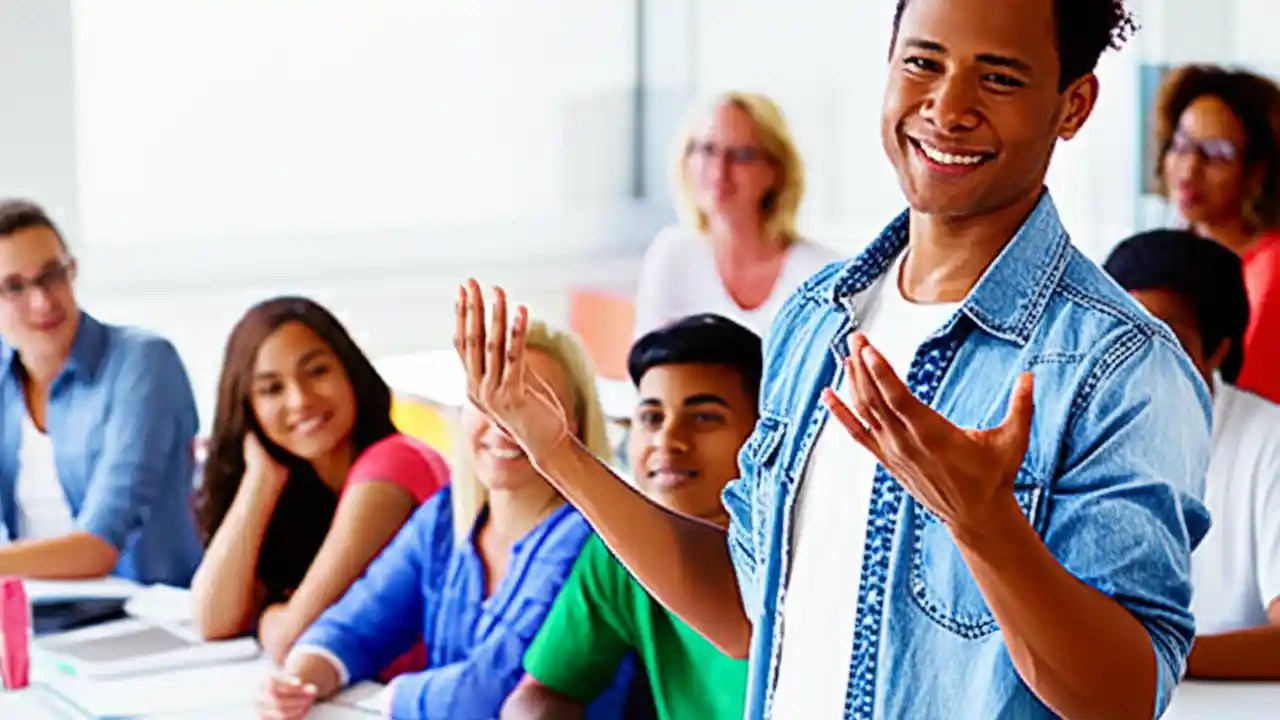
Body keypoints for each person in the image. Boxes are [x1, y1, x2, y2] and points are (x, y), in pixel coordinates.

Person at [457, 0, 1215, 717]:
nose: (947, 107)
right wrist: (558, 452)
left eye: (1000, 77)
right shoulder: (815, 320)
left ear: (1073, 104)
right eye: (922, 63)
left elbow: (1119, 699)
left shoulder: (1119, 366)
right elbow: (749, 609)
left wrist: (987, 526)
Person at [256, 306, 631, 720]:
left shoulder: (591, 540)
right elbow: (356, 622)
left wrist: (380, 699)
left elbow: (492, 693)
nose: (503, 425)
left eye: (529, 405)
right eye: (485, 401)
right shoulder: (447, 517)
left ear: (576, 424)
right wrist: (299, 679)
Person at [502, 313, 757, 720]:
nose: (668, 441)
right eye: (651, 418)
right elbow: (540, 693)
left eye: (705, 417)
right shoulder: (619, 551)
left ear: (764, 435)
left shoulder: (790, 557)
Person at [190, 297, 449, 667]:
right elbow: (213, 620)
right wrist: (260, 481)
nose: (300, 400)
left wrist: (266, 617)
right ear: (248, 411)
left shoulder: (394, 466)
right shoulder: (298, 488)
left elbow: (294, 637)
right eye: (271, 390)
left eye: (317, 371)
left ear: (350, 372)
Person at [1104, 229, 1280, 680]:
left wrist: (1136, 662)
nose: (1138, 360)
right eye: (1121, 336)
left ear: (1217, 348)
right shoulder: (1085, 438)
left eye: (1167, 340)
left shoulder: (1269, 442)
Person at [0, 199, 201, 585]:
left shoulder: (141, 363)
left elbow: (98, 547)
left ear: (71, 270)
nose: (43, 301)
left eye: (52, 275)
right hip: (39, 619)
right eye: (13, 288)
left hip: (145, 616)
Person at [632, 91, 841, 339]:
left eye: (741, 155)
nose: (719, 171)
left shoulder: (821, 274)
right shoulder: (673, 254)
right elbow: (646, 370)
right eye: (708, 150)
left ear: (776, 170)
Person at [1155, 65, 1280, 403]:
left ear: (1256, 171)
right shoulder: (1164, 255)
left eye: (1216, 154)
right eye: (1181, 146)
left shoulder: (1271, 270)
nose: (1189, 168)